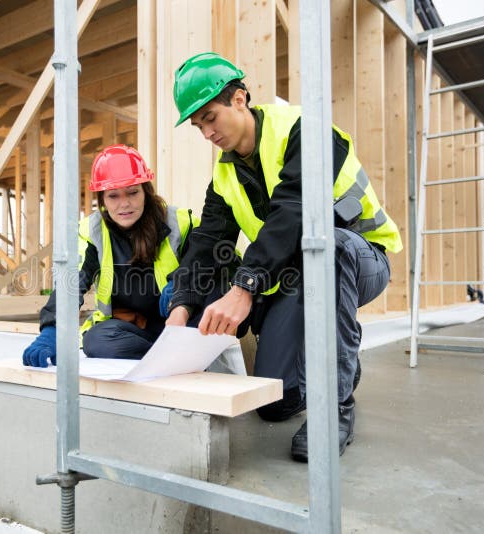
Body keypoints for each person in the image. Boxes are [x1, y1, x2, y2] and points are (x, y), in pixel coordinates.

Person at [165, 52, 403, 462]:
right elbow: (206, 243)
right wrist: (181, 307)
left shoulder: (304, 131)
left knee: (329, 247)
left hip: (359, 260)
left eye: (210, 117)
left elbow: (294, 211)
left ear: (239, 99)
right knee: (276, 404)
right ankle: (335, 367)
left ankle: (335, 409)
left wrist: (245, 289)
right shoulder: (224, 175)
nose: (205, 132)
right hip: (295, 276)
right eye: (198, 124)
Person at [22, 144, 196, 367]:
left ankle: (178, 351)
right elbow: (72, 282)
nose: (124, 204)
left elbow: (212, 260)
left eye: (133, 192)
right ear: (102, 199)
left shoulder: (178, 222)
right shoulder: (92, 232)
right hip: (133, 333)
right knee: (96, 341)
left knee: (207, 297)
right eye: (113, 196)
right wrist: (52, 329)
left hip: (181, 322)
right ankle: (167, 356)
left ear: (146, 191)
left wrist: (182, 284)